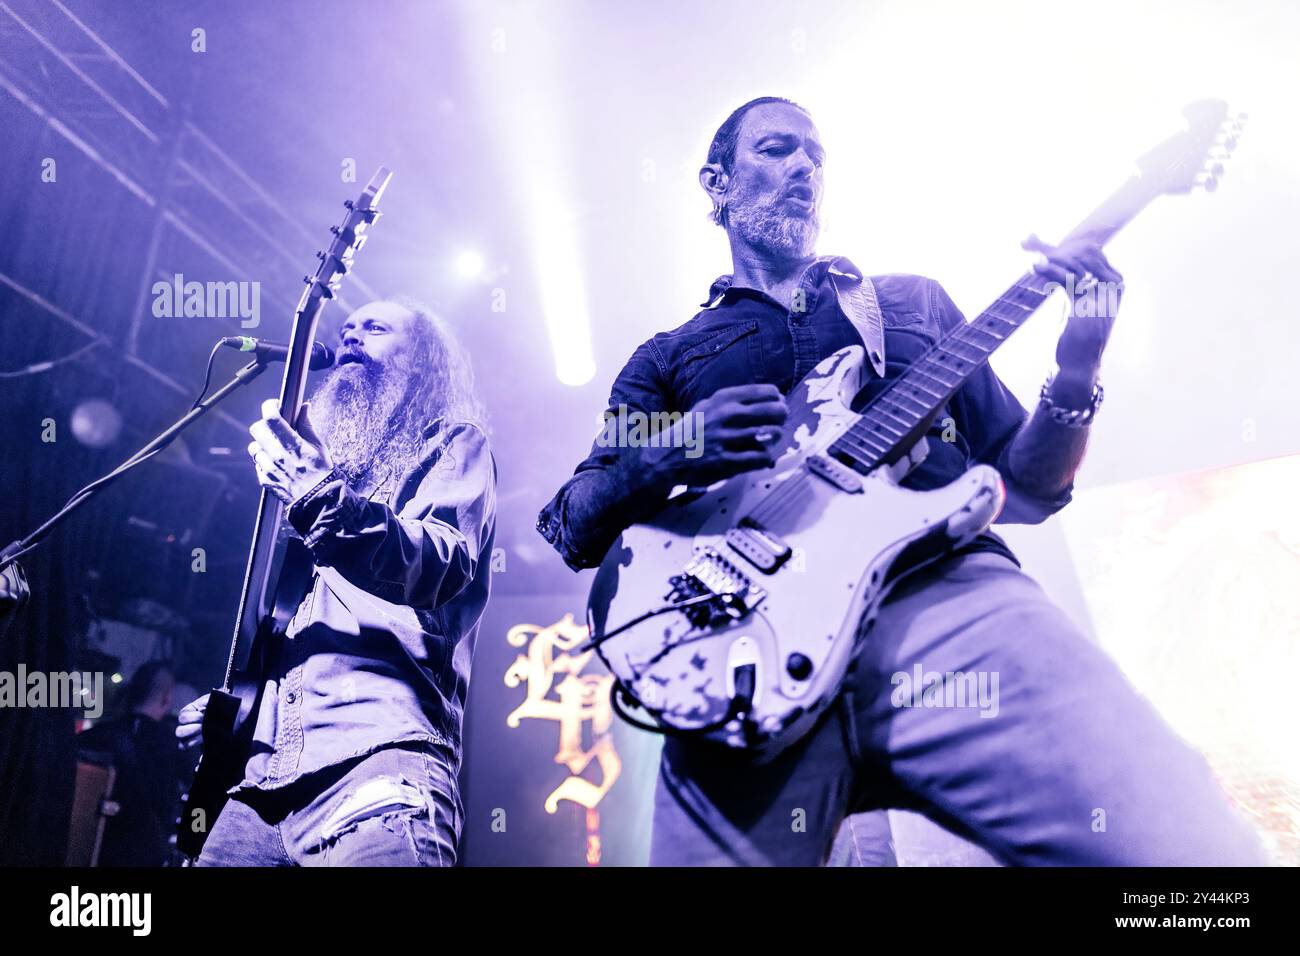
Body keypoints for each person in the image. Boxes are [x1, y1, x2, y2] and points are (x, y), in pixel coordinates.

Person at [537, 96, 1268, 866]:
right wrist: (675, 447)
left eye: (815, 157)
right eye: (778, 150)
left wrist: (1078, 364)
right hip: (738, 654)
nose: (803, 170)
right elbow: (571, 522)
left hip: (944, 601)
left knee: (1192, 853)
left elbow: (1028, 485)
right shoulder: (668, 356)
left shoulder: (911, 301)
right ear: (716, 183)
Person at [178, 298, 496, 867]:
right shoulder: (318, 490)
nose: (351, 338)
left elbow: (441, 565)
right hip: (260, 781)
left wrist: (319, 495)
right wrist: (238, 711)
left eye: (375, 328)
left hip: (377, 755)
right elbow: (287, 633)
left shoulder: (451, 440)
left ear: (422, 362)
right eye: (346, 329)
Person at [78, 661, 186, 866]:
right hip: (142, 857)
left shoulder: (95, 736)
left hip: (88, 850)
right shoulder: (175, 746)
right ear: (166, 699)